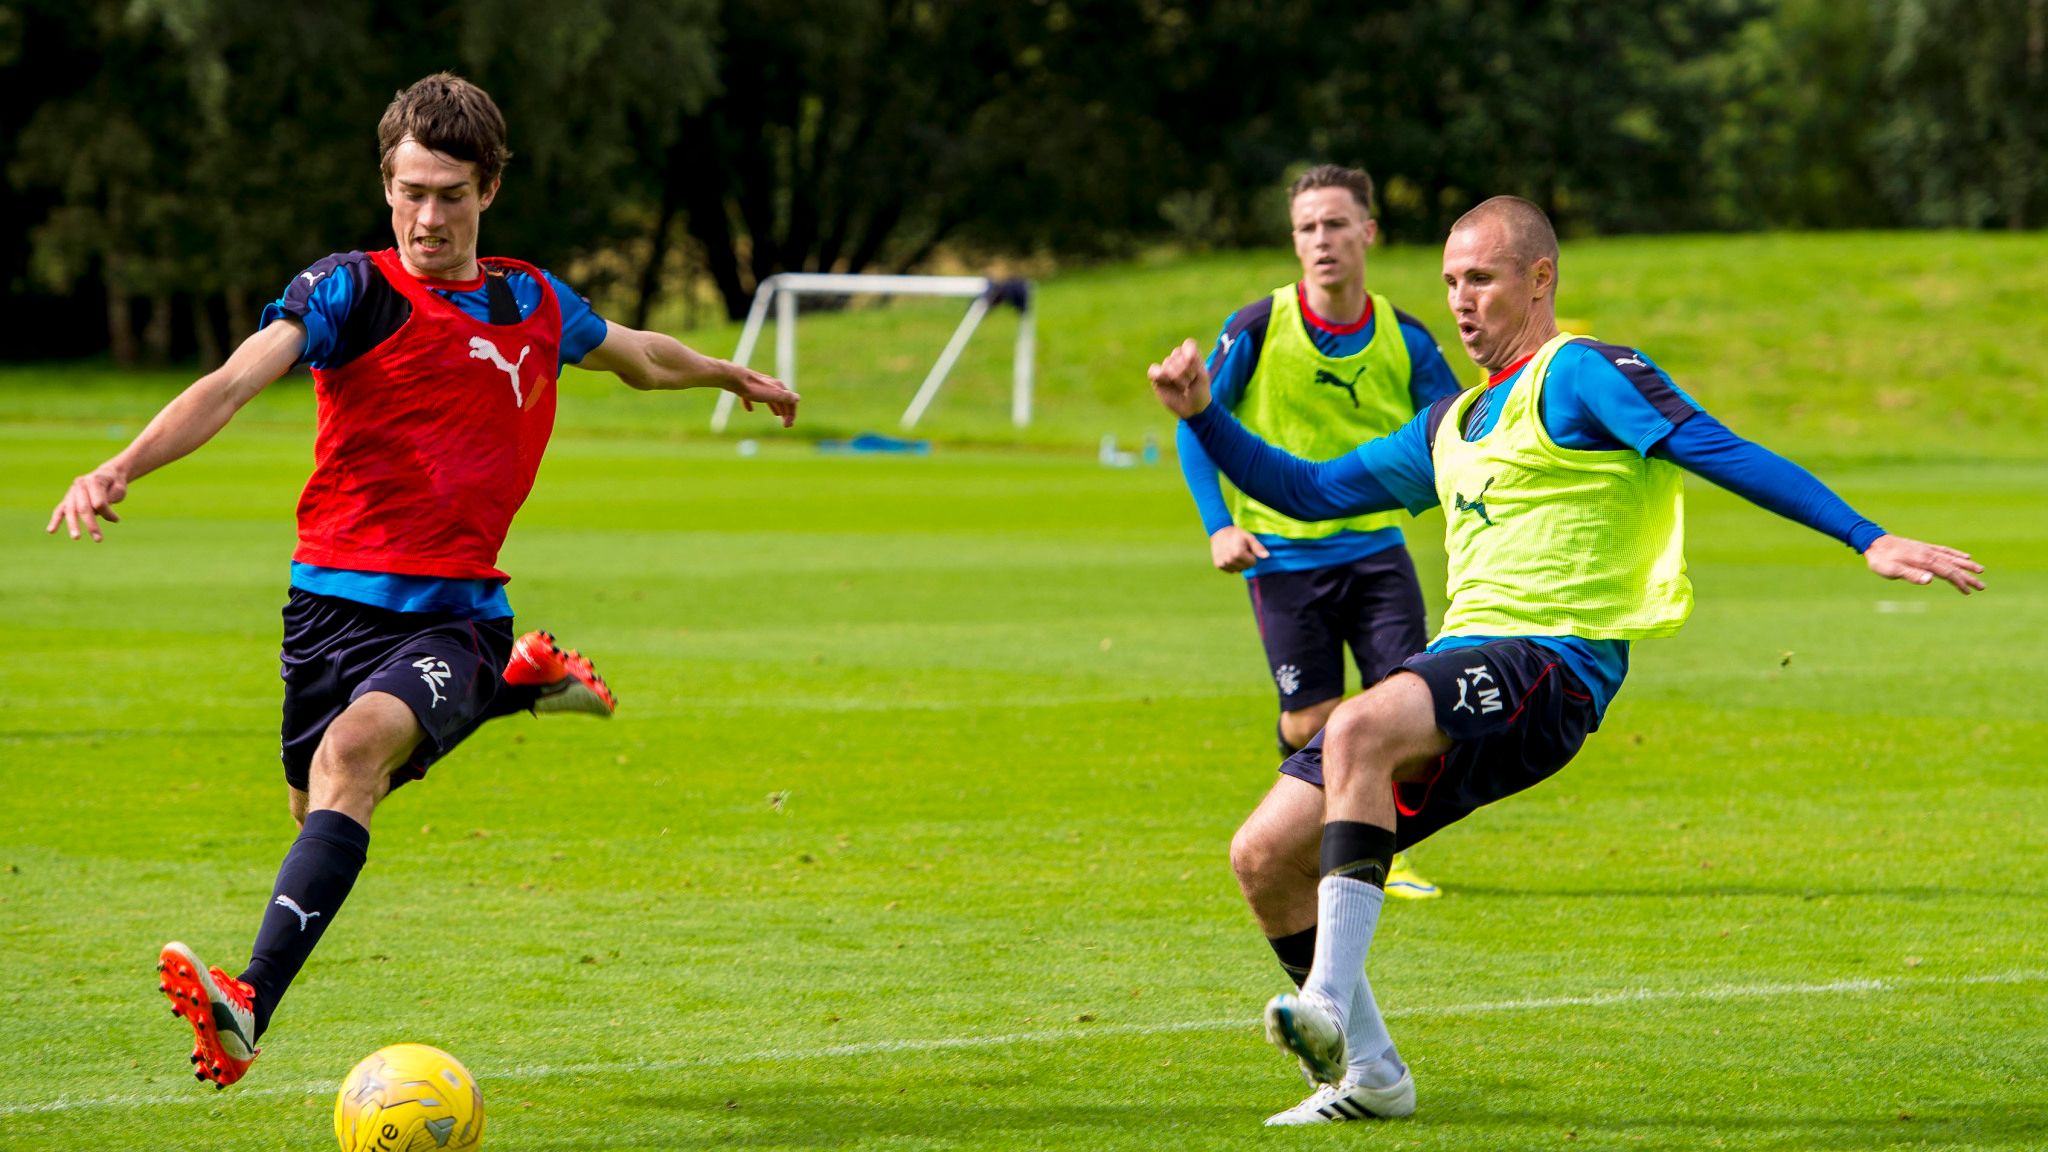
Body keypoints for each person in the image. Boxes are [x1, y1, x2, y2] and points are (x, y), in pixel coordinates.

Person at [1147, 195, 1983, 1126]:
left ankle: (1328, 1007)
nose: (1462, 302)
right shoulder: (1449, 426)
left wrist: (1863, 536)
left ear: (1540, 280)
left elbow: (1714, 445)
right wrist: (1205, 415)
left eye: (1484, 278)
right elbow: (1304, 490)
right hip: (1468, 663)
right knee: (1262, 856)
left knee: (1358, 723)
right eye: (1451, 282)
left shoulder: (1582, 373)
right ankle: (1373, 1076)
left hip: (1554, 665)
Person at [45, 74, 800, 1089]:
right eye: (408, 191)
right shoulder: (348, 290)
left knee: (353, 758)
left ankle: (246, 1004)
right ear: (386, 185)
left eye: (448, 193)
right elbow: (232, 382)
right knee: (317, 805)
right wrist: (120, 465)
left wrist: (726, 372)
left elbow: (635, 355)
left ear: (488, 188)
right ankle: (523, 685)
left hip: (455, 613)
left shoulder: (531, 300)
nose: (426, 216)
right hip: (325, 609)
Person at [1179, 166, 1462, 926]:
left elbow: (1459, 428)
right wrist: (1219, 524)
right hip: (1283, 557)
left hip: (1375, 552)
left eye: (1336, 224)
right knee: (1312, 724)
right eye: (1308, 227)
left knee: (1414, 722)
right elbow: (1195, 419)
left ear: (1368, 232)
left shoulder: (1405, 336)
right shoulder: (1259, 327)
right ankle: (1302, 763)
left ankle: (1380, 857)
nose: (1322, 240)